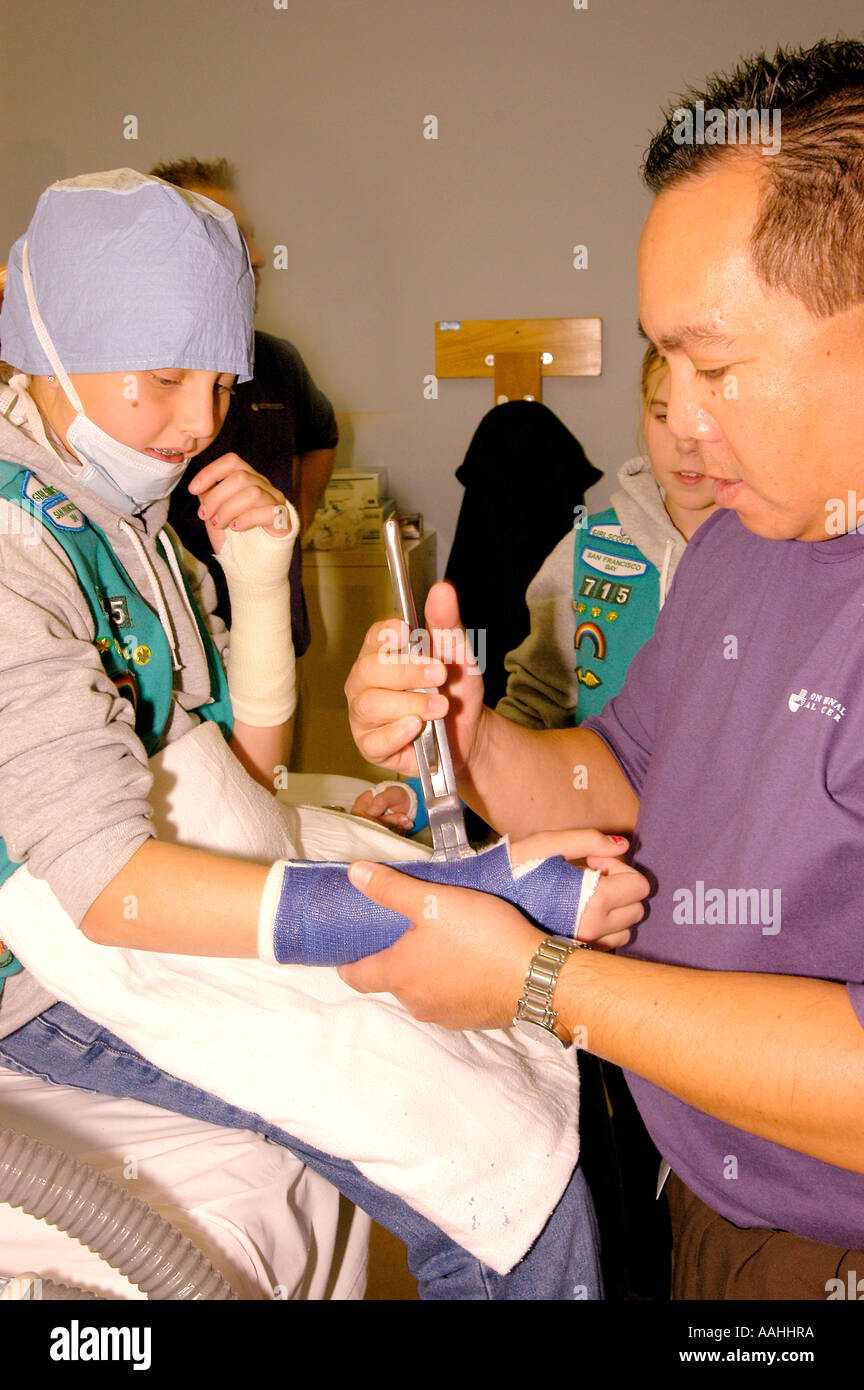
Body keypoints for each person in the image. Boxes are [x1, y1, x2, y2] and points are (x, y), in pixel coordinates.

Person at [0, 168, 646, 1300]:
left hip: (162, 883)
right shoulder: (17, 552)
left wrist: (257, 588)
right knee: (476, 1148)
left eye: (217, 380)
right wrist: (473, 890)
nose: (199, 422)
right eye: (162, 378)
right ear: (44, 344)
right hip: (50, 964)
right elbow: (107, 889)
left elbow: (242, 767)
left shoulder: (119, 510)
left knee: (515, 1057)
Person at [342, 37, 864, 1300]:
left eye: (719, 365)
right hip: (706, 1199)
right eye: (662, 363)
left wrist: (537, 984)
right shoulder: (747, 539)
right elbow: (629, 771)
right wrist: (466, 732)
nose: (680, 419)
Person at [148, 157, 337, 660]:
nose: (256, 256)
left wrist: (296, 521)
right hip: (171, 652)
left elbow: (321, 438)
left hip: (269, 630)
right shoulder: (121, 375)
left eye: (251, 235)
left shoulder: (277, 360)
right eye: (229, 234)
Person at [498, 342, 717, 729]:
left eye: (708, 419)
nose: (684, 443)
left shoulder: (784, 552)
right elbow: (534, 703)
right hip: (596, 784)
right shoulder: (588, 544)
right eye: (664, 415)